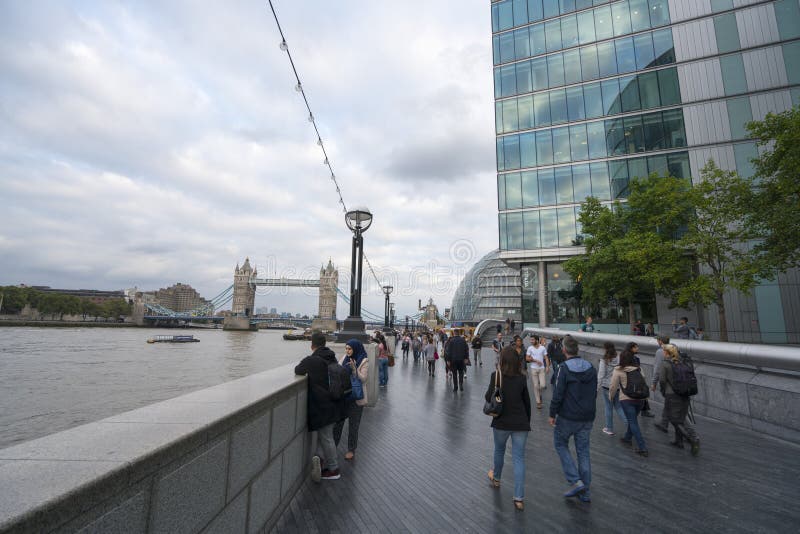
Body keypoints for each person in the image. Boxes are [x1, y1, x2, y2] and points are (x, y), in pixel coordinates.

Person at [549, 335, 596, 503]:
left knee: (560, 444)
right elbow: (593, 392)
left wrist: (552, 414)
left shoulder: (563, 368)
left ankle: (576, 481)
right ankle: (585, 492)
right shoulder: (591, 367)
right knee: (583, 452)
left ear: (563, 350)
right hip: (587, 416)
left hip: (568, 416)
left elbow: (558, 394)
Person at [294, 332, 345, 481]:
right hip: (336, 403)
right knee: (325, 437)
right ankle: (320, 460)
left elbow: (298, 370)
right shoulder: (332, 357)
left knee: (326, 437)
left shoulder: (312, 360)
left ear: (312, 345)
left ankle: (334, 469)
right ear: (325, 344)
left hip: (323, 407)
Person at [487, 346, 532, 511]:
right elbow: (527, 402)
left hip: (501, 422)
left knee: (499, 450)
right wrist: (527, 420)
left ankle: (497, 478)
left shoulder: (496, 377)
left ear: (502, 360)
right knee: (519, 459)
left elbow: (488, 397)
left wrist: (498, 392)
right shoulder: (521, 378)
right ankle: (519, 498)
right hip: (520, 423)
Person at [659, 344, 701, 455]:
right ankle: (679, 441)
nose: (663, 353)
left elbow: (662, 380)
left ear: (667, 353)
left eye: (664, 351)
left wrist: (663, 392)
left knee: (674, 419)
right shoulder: (683, 361)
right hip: (685, 394)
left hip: (671, 394)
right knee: (682, 417)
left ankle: (693, 439)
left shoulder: (665, 364)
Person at [333, 339, 369, 460]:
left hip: (356, 398)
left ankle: (351, 449)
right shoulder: (344, 358)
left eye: (350, 349)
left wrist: (354, 370)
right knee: (338, 424)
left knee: (354, 425)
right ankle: (333, 446)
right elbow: (337, 370)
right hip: (344, 397)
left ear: (356, 349)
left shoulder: (364, 360)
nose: (347, 351)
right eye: (346, 348)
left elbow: (364, 379)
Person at [608, 348, 648, 457]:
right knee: (632, 419)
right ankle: (627, 437)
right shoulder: (639, 369)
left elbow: (613, 386)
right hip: (640, 399)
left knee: (633, 422)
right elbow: (643, 382)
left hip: (626, 399)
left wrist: (611, 397)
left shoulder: (618, 370)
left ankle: (642, 447)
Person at [597, 342, 626, 436]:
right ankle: (630, 425)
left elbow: (601, 375)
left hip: (606, 386)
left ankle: (609, 428)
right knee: (618, 407)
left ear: (605, 349)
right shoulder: (619, 358)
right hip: (617, 385)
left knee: (608, 407)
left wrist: (596, 388)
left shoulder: (604, 360)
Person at [651, 335, 671, 434]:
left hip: (667, 382)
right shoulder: (674, 347)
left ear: (660, 341)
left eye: (658, 340)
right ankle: (664, 423)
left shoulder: (660, 351)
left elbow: (657, 369)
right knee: (669, 402)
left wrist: (654, 383)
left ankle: (691, 434)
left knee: (673, 405)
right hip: (676, 381)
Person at [525, 335, 548, 409]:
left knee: (543, 385)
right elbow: (527, 358)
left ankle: (539, 394)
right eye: (530, 340)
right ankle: (538, 402)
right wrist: (535, 360)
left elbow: (546, 358)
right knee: (535, 386)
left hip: (541, 369)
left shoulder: (542, 348)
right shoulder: (530, 348)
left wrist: (547, 367)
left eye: (532, 340)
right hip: (533, 369)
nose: (531, 341)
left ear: (537, 340)